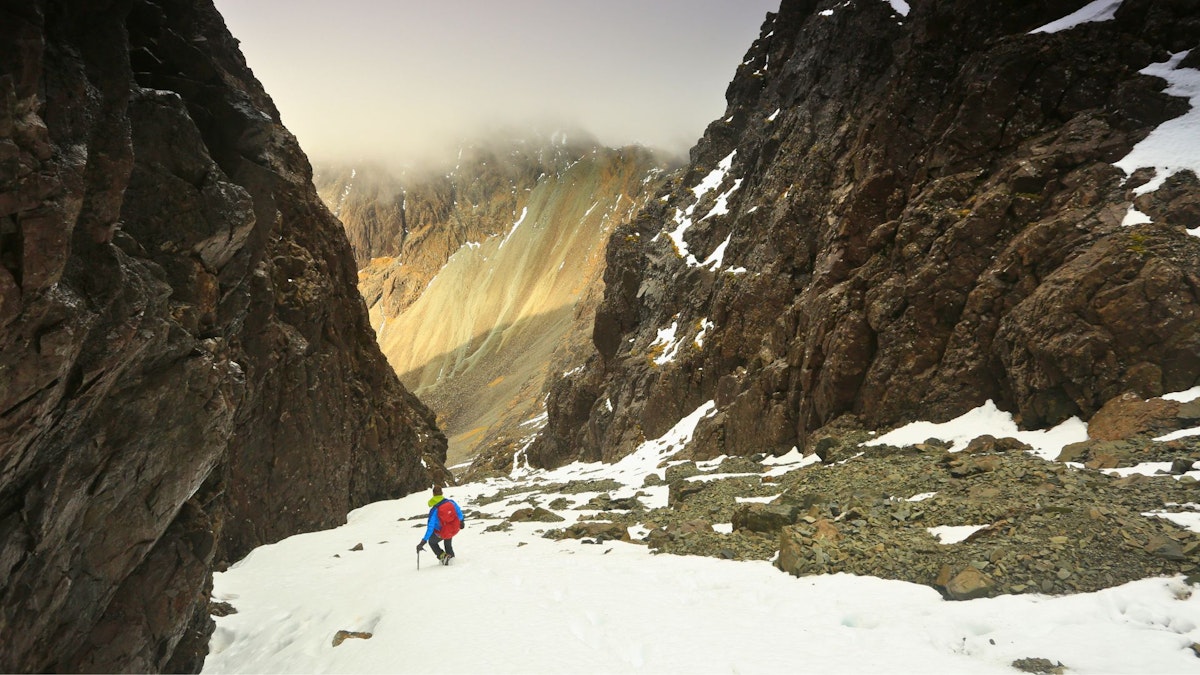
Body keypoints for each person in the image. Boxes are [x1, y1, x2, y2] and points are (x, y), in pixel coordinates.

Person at [416, 485, 464, 563]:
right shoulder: (451, 502)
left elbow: (430, 527)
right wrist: (461, 521)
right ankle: (451, 558)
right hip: (452, 529)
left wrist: (423, 541)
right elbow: (458, 511)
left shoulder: (435, 510)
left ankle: (443, 557)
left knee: (432, 542)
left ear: (433, 494)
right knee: (448, 542)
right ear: (442, 493)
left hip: (441, 532)